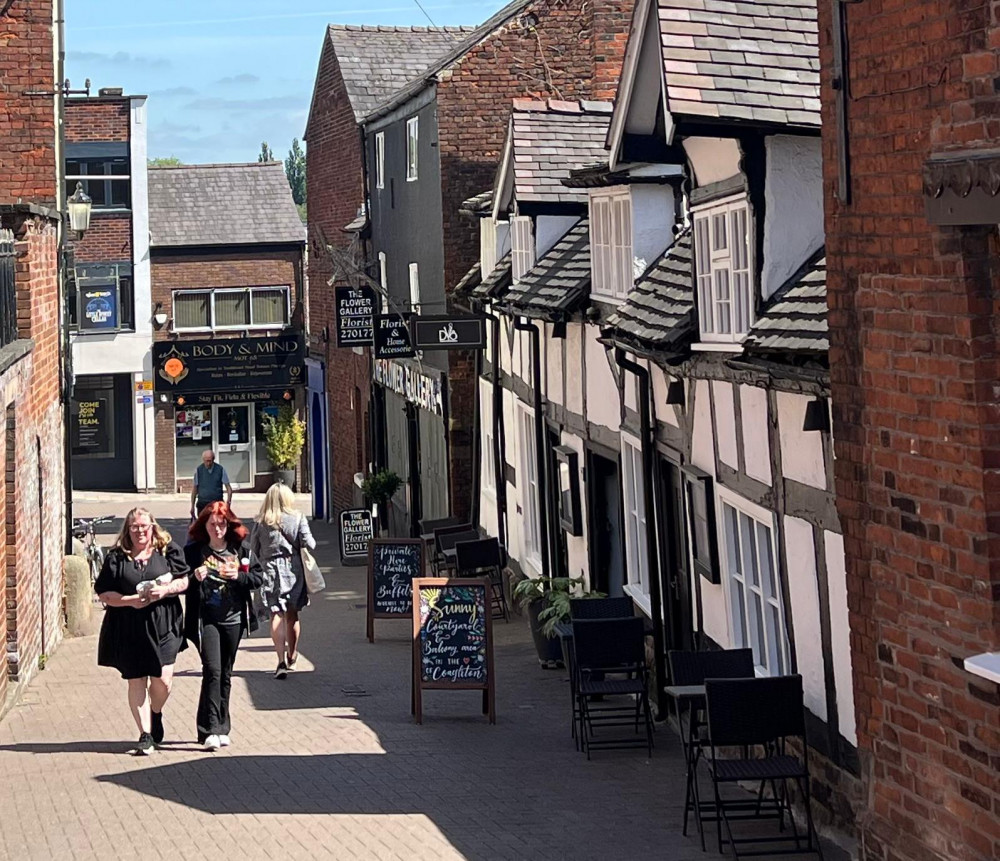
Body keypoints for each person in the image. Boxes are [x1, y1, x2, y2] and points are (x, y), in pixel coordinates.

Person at [94, 508, 189, 755]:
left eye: (144, 526)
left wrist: (166, 591)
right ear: (128, 530)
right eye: (134, 527)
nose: (140, 531)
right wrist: (129, 600)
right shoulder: (116, 557)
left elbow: (184, 580)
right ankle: (145, 734)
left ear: (152, 527)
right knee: (136, 679)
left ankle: (155, 712)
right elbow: (104, 592)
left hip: (165, 623)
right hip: (129, 625)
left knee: (163, 680)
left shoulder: (168, 550)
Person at [184, 501, 263, 751]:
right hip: (205, 619)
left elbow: (257, 578)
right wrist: (194, 578)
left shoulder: (242, 549)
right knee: (212, 670)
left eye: (222, 524)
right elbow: (179, 579)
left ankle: (222, 725)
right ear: (204, 525)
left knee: (225, 674)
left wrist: (238, 576)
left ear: (228, 525)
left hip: (234, 619)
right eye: (212, 524)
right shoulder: (195, 551)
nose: (217, 528)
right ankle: (210, 730)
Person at [251, 483, 316, 679]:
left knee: (275, 615)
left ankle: (279, 660)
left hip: (269, 570)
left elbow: (254, 548)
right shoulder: (297, 518)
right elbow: (309, 543)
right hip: (293, 570)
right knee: (292, 615)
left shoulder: (261, 521)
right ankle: (292, 655)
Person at [189, 450, 233, 519]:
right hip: (202, 504)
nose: (208, 463)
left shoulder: (220, 470)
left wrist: (228, 503)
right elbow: (195, 489)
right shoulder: (199, 470)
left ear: (213, 459)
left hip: (217, 504)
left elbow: (229, 488)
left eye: (210, 461)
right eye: (206, 461)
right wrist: (192, 506)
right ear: (203, 460)